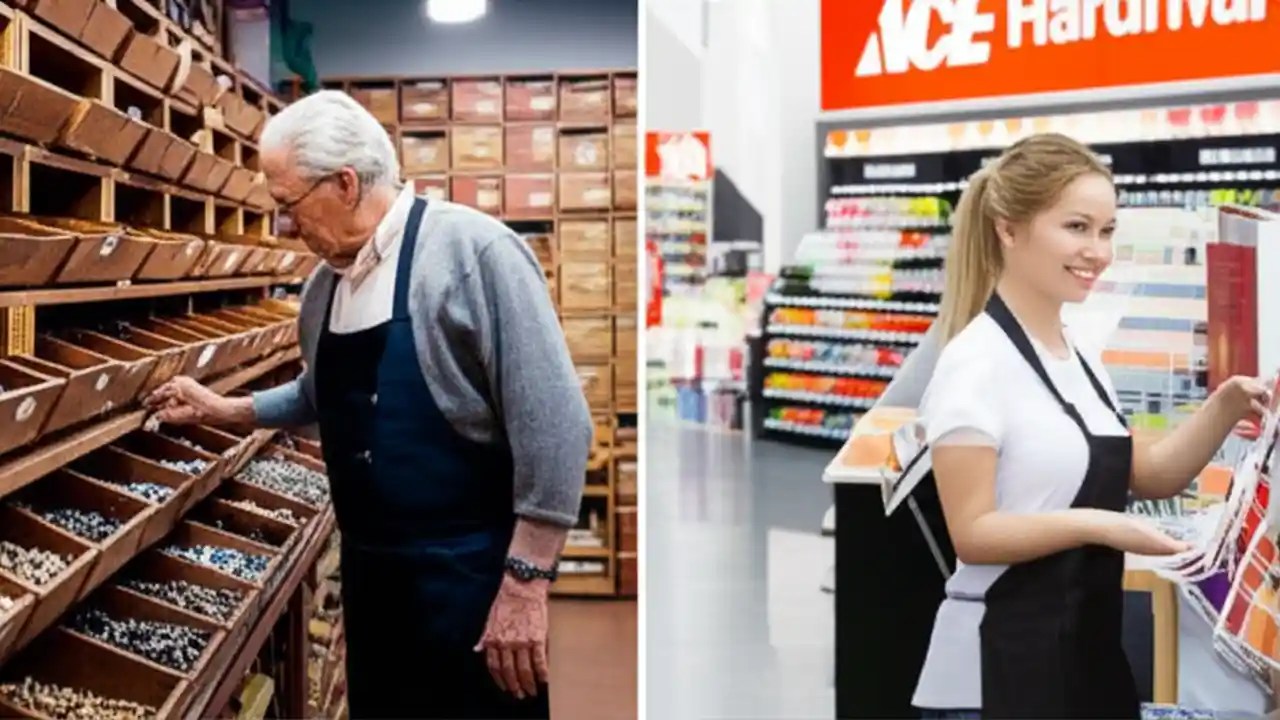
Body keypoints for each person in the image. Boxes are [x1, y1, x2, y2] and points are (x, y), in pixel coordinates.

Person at [144, 90, 592, 719]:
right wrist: (228, 410)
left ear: (345, 184)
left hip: (472, 582)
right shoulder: (325, 286)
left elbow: (557, 426)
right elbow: (319, 393)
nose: (284, 228)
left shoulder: (473, 253)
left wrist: (526, 581)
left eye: (288, 206)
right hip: (373, 579)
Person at [911, 133, 1268, 719]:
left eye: (1106, 231)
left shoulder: (1076, 352)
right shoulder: (974, 363)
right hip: (993, 677)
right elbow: (972, 533)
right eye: (1076, 227)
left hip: (1079, 663)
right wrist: (1104, 527)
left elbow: (1147, 475)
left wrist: (1227, 405)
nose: (1097, 251)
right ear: (1008, 228)